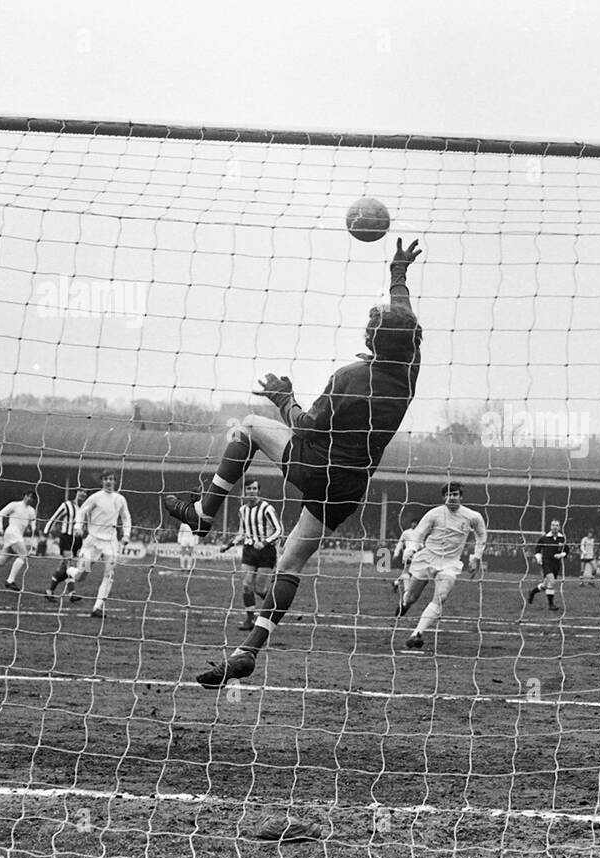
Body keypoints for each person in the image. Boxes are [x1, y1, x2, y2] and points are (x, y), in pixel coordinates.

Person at [165, 238, 423, 687]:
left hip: (314, 465)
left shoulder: (349, 377)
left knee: (247, 426)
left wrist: (283, 396)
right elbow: (407, 326)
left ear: (370, 339)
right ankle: (248, 652)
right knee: (290, 564)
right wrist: (398, 276)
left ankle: (204, 514)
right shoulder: (409, 372)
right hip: (347, 489)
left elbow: (303, 427)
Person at [396, 482, 486, 650]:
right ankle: (404, 603)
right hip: (428, 559)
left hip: (450, 564)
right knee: (411, 598)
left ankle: (416, 634)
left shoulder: (473, 516)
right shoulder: (434, 514)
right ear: (444, 497)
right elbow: (418, 534)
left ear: (461, 497)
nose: (452, 497)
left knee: (441, 597)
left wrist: (476, 557)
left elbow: (481, 536)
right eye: (449, 495)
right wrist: (411, 549)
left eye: (455, 494)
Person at [64, 470, 132, 618]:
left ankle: (98, 607)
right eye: (106, 479)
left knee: (109, 574)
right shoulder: (95, 497)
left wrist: (126, 535)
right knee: (82, 576)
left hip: (110, 543)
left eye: (111, 479)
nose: (109, 481)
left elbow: (126, 518)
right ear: (102, 481)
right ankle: (70, 571)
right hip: (92, 542)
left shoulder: (120, 499)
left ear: (115, 482)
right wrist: (78, 527)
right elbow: (81, 512)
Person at [229, 478, 283, 631]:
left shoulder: (267, 508)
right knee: (246, 586)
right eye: (248, 489)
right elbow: (242, 531)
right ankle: (249, 620)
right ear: (244, 491)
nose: (251, 491)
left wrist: (264, 542)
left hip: (266, 552)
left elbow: (279, 530)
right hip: (249, 551)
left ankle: (278, 606)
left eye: (254, 488)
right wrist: (230, 544)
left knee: (259, 589)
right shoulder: (242, 510)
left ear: (259, 491)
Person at [44, 488, 88, 599]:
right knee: (70, 564)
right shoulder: (67, 505)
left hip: (78, 540)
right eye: (81, 491)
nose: (83, 493)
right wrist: (46, 532)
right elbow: (54, 518)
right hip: (66, 538)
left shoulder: (86, 507)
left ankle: (50, 590)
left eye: (85, 492)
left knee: (65, 567)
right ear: (76, 492)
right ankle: (72, 593)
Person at [527, 520, 567, 610]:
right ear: (550, 526)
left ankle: (532, 592)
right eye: (553, 525)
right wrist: (538, 558)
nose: (555, 527)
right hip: (546, 563)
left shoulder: (562, 538)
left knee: (545, 585)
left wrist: (561, 555)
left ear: (560, 527)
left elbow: (566, 550)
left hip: (556, 565)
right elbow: (537, 549)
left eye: (557, 525)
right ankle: (551, 605)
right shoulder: (544, 538)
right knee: (552, 581)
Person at [391, 510, 418, 597]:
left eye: (416, 523)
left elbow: (421, 544)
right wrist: (396, 553)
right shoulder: (406, 533)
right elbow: (400, 543)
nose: (414, 525)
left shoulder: (419, 533)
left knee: (409, 572)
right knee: (408, 572)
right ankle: (406, 590)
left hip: (416, 554)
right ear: (411, 524)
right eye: (413, 523)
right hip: (408, 554)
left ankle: (396, 583)